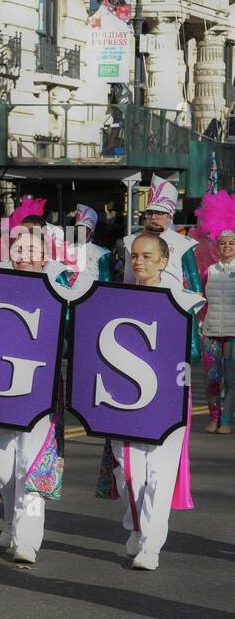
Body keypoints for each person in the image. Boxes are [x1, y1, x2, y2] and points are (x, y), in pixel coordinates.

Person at [0, 221, 79, 564]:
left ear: (44, 255)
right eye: (18, 248)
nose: (24, 255)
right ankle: (11, 521)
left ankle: (29, 539)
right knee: (0, 466)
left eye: (32, 250)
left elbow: (74, 333)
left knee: (32, 464)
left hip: (42, 385)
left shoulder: (62, 286)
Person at [107, 233, 204, 570]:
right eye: (135, 256)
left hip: (169, 396)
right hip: (123, 397)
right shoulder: (116, 299)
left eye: (148, 256)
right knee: (132, 474)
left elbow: (193, 351)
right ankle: (136, 525)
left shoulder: (182, 299)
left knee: (159, 475)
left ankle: (151, 546)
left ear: (164, 261)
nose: (139, 262)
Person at [192, 189, 235, 434]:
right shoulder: (209, 271)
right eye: (223, 243)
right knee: (211, 378)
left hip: (232, 333)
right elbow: (198, 298)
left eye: (231, 243)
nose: (227, 247)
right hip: (210, 331)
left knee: (231, 379)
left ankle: (226, 420)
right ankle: (214, 416)